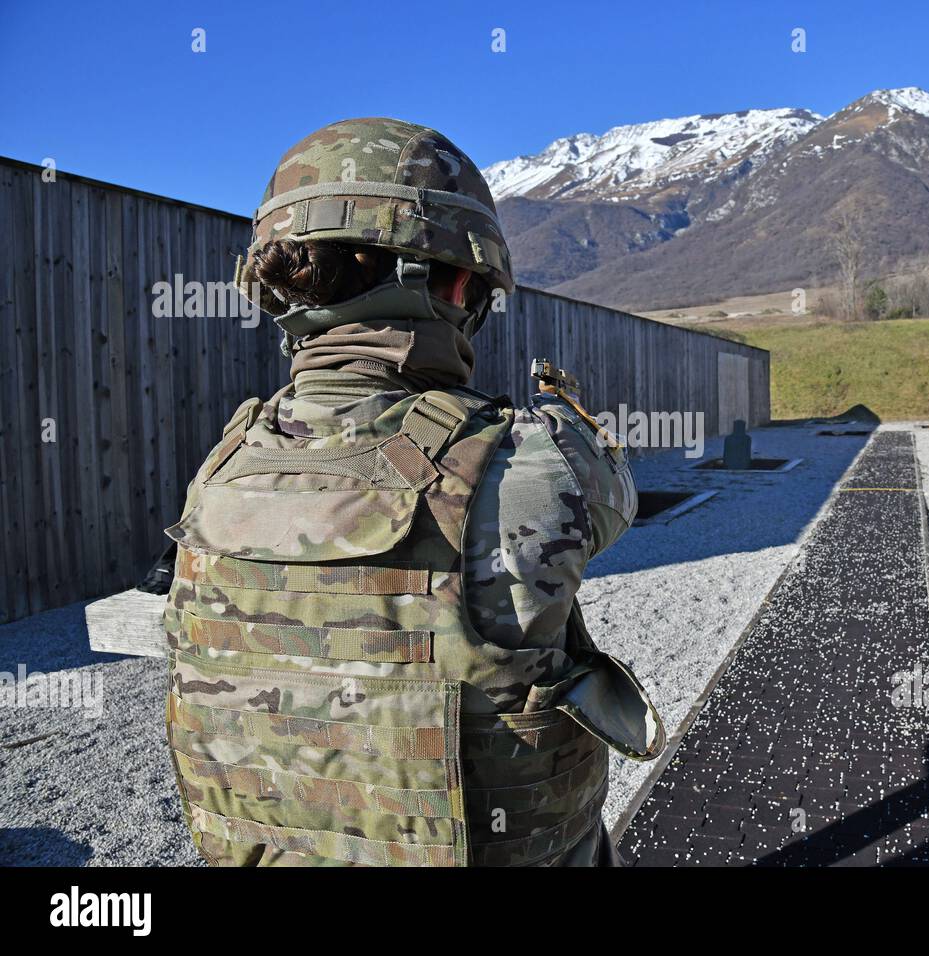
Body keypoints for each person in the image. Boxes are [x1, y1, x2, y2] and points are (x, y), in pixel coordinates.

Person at [161, 117, 664, 867]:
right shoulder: (539, 457)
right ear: (460, 283)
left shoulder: (223, 464)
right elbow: (612, 495)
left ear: (278, 286)